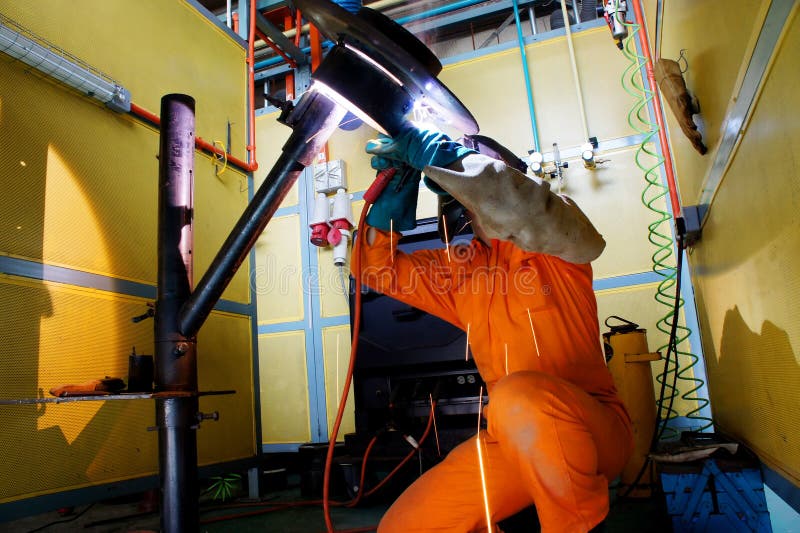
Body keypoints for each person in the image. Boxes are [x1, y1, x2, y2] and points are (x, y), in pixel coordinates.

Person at [355, 126, 634, 533]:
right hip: (510, 436)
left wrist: (451, 161)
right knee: (402, 527)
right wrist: (392, 203)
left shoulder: (555, 244)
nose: (468, 207)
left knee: (516, 396)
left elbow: (528, 210)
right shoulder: (464, 272)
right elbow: (375, 269)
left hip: (595, 431)